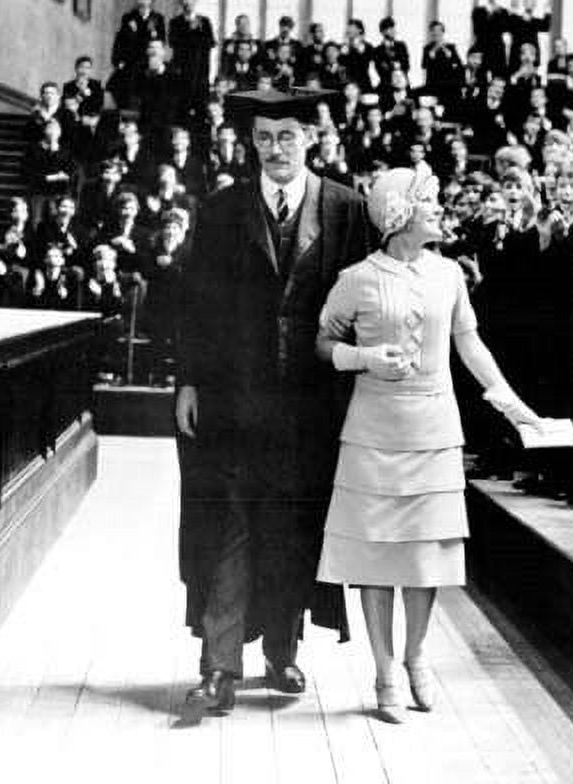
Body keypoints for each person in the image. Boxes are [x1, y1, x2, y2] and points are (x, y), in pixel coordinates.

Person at [314, 165, 542, 722]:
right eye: (430, 201)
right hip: (373, 430)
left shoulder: (449, 274)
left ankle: (417, 656)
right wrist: (364, 358)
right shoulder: (357, 278)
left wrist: (512, 402)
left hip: (434, 428)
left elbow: (471, 344)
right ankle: (384, 670)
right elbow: (322, 342)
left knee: (426, 553)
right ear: (398, 214)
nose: (440, 208)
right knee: (373, 554)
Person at [174, 88, 371, 716]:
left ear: (309, 138)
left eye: (287, 136)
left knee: (291, 527)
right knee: (228, 524)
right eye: (264, 137)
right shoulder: (221, 209)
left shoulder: (346, 208)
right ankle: (218, 665)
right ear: (250, 142)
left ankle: (283, 653)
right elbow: (195, 305)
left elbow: (365, 306)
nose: (275, 148)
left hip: (313, 402)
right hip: (234, 396)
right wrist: (189, 381)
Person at [111, 0, 167, 108]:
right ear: (136, 1)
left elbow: (161, 41)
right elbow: (120, 40)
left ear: (150, 1)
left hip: (149, 61)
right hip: (131, 61)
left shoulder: (157, 18)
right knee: (120, 85)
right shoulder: (128, 18)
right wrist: (118, 60)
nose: (143, 2)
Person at [168, 0, 216, 119]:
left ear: (195, 0)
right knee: (181, 110)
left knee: (201, 111)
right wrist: (190, 30)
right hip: (182, 73)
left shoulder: (204, 21)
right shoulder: (175, 22)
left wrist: (197, 31)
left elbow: (211, 42)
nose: (188, 1)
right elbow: (173, 42)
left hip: (200, 73)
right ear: (180, 1)